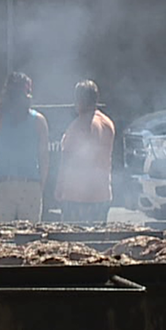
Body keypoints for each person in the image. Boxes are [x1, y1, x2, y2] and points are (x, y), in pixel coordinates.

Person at [0, 72, 50, 222]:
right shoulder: (39, 121)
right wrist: (40, 186)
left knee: (1, 240)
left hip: (3, 185)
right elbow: (44, 159)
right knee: (30, 240)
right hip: (30, 185)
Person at [55, 80, 116, 223]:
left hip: (78, 197)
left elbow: (68, 159)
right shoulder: (108, 123)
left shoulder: (80, 125)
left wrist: (59, 186)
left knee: (76, 242)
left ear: (79, 100)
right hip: (102, 195)